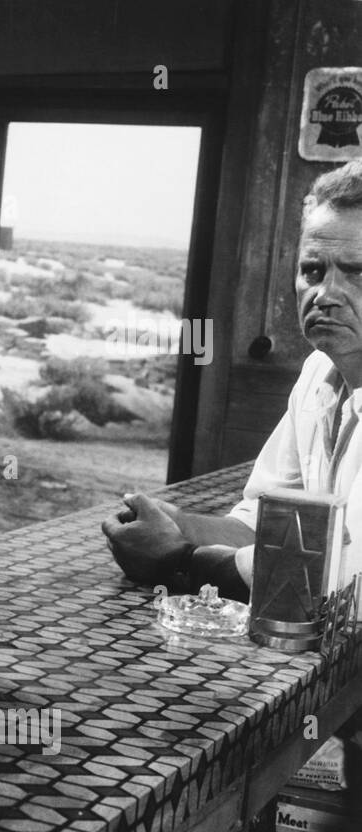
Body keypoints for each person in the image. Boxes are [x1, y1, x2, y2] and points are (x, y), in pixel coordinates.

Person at [104, 158, 362, 596]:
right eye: (312, 270)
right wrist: (178, 525)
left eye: (356, 271)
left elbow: (349, 583)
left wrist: (182, 561)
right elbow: (266, 525)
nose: (324, 294)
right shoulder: (320, 373)